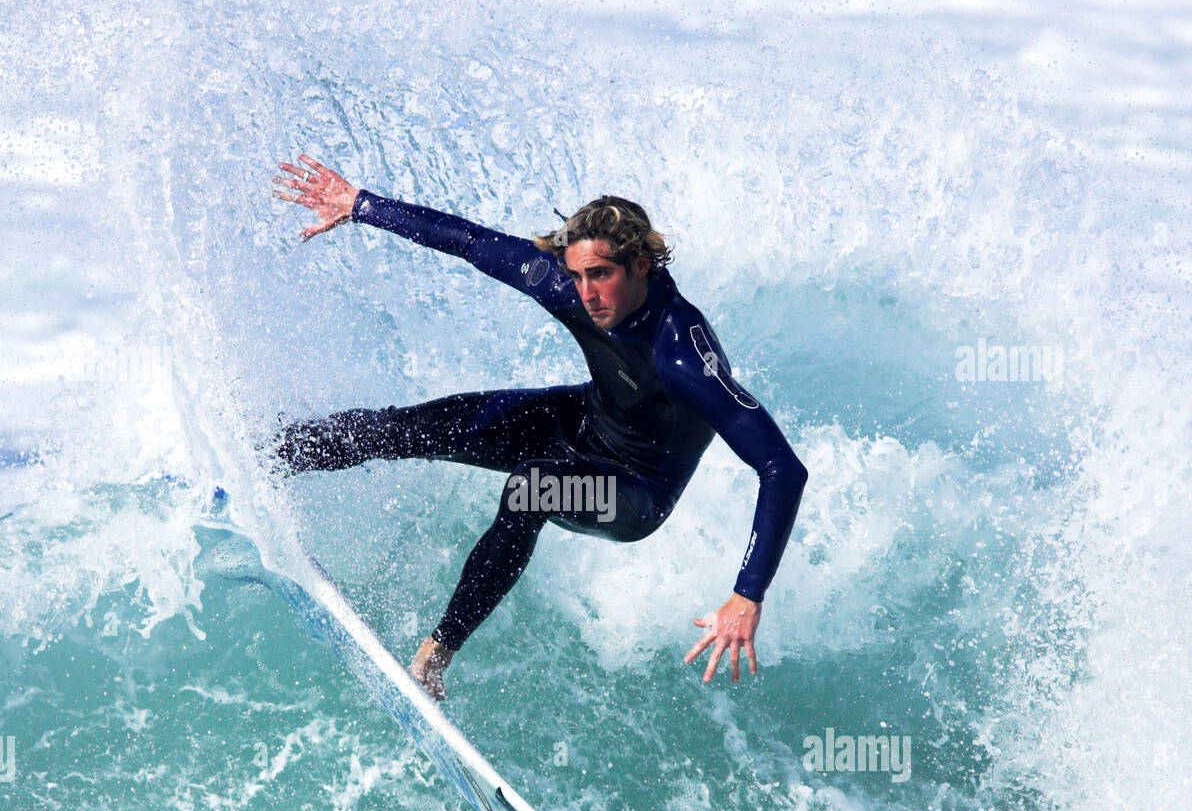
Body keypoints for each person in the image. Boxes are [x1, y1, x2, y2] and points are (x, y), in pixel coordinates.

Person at [272, 154, 807, 701]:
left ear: (641, 266)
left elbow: (782, 468)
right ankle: (268, 458)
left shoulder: (682, 355)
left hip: (636, 491)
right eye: (576, 276)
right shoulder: (569, 285)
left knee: (531, 489)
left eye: (600, 275)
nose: (586, 293)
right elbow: (469, 241)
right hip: (584, 422)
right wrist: (360, 204)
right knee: (414, 425)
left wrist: (747, 595)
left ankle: (436, 654)